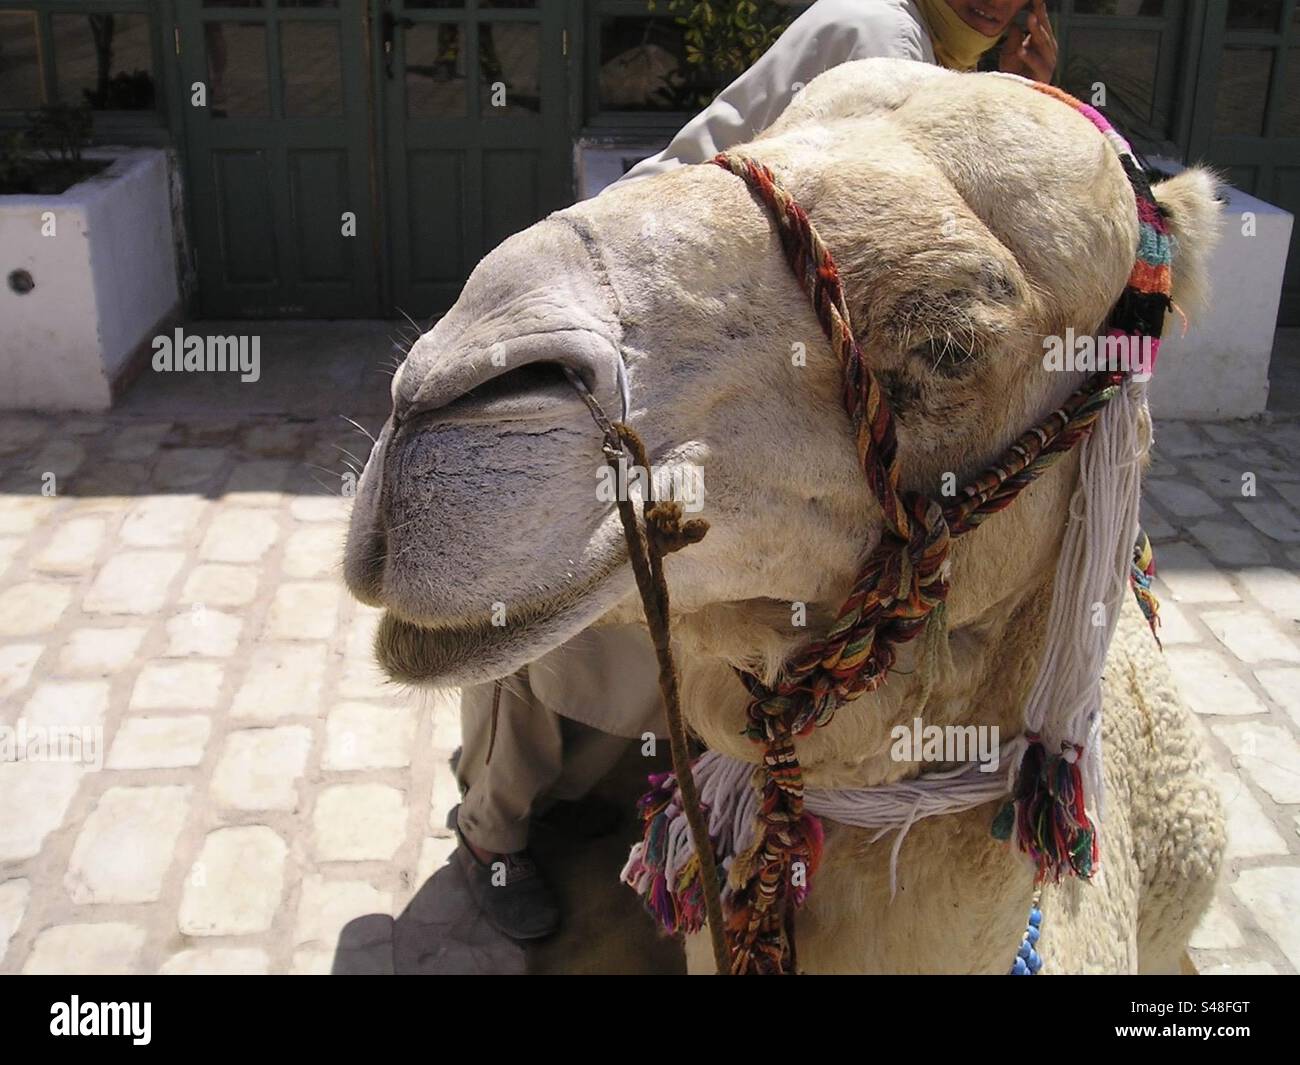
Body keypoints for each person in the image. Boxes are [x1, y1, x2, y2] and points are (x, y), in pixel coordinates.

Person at [449, 0, 1057, 942]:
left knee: (651, 638)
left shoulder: (935, 67)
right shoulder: (885, 48)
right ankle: (488, 836)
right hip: (672, 376)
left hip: (719, 390)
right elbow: (839, 268)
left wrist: (1013, 99)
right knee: (573, 629)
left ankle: (557, 800)